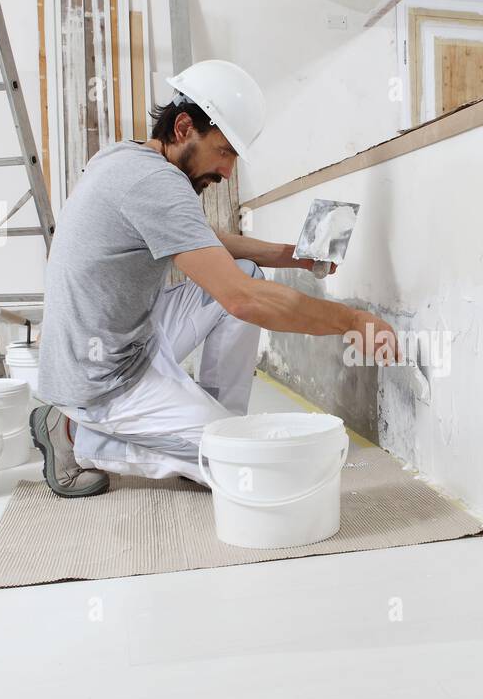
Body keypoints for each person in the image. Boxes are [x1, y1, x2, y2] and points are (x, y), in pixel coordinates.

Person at [29, 60, 397, 497]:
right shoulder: (155, 181)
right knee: (256, 469)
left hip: (126, 336)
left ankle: (212, 427)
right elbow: (242, 300)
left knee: (245, 271)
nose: (227, 173)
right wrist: (353, 321)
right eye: (224, 153)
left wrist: (288, 257)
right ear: (184, 127)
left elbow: (199, 239)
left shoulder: (128, 158)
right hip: (100, 381)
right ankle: (72, 433)